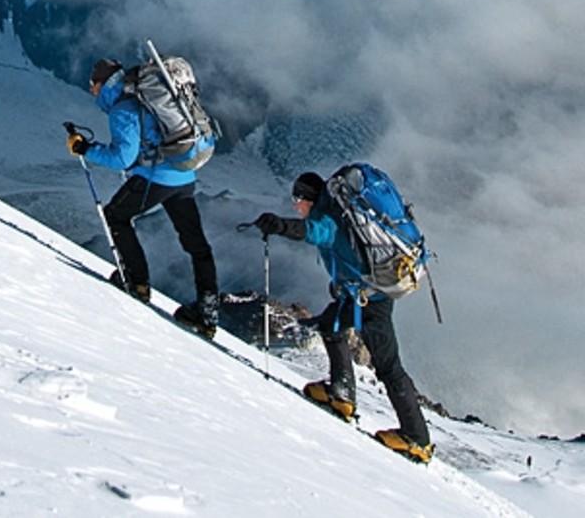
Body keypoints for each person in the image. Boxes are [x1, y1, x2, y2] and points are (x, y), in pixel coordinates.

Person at [253, 172, 434, 463]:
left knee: (388, 366)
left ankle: (417, 439)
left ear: (309, 199)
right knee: (330, 325)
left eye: (298, 199)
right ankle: (341, 395)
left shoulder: (329, 221)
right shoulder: (340, 213)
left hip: (372, 302)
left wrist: (279, 225)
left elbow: (311, 232)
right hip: (360, 295)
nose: (295, 205)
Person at [67, 58, 220, 337]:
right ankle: (207, 313)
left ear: (104, 83)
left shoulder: (123, 109)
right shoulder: (144, 97)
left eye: (93, 83)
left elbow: (122, 158)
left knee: (116, 215)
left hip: (155, 176)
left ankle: (137, 282)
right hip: (184, 174)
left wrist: (86, 149)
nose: (91, 89)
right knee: (197, 244)